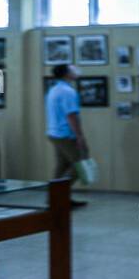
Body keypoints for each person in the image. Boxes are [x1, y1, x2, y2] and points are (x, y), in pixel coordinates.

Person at [45, 63, 88, 207]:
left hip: (54, 133)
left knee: (62, 166)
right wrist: (80, 136)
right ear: (66, 74)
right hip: (65, 135)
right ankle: (58, 197)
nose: (75, 72)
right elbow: (71, 116)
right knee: (79, 165)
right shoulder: (67, 92)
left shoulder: (54, 89)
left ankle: (57, 200)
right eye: (72, 70)